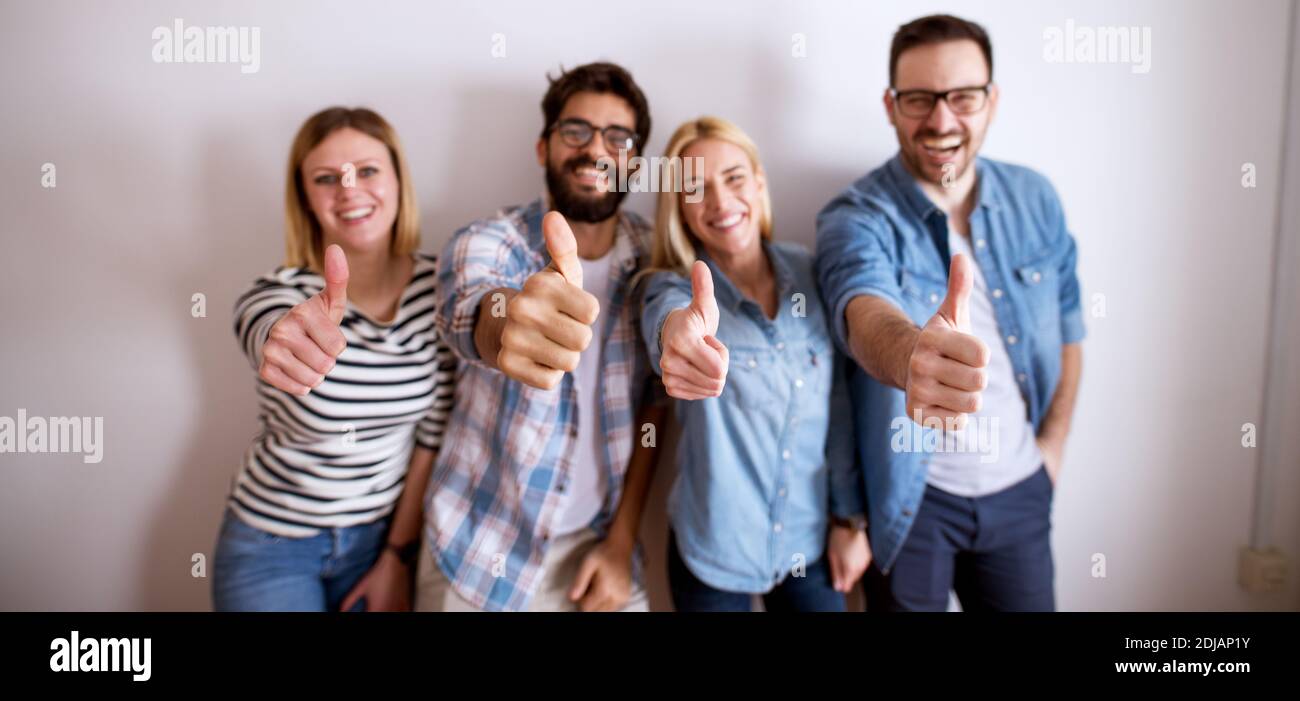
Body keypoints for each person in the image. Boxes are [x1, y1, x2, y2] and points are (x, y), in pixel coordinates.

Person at [816, 14, 1085, 611]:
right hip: (914, 504)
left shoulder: (1036, 198)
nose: (941, 120)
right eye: (919, 99)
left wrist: (1054, 449)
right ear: (890, 105)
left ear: (991, 101)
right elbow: (862, 310)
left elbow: (1070, 327)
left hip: (1022, 491)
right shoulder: (854, 217)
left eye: (962, 97)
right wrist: (912, 354)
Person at [419, 62, 667, 612]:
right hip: (477, 551)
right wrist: (507, 324)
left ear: (636, 162)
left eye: (617, 137)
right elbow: (474, 310)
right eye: (575, 130)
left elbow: (655, 403)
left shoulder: (654, 256)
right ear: (543, 147)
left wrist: (622, 542)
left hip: (598, 553)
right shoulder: (485, 241)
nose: (595, 148)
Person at [213, 107, 455, 612]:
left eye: (366, 170)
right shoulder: (277, 294)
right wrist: (279, 338)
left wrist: (396, 557)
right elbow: (264, 325)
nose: (348, 190)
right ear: (305, 197)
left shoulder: (444, 289)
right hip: (270, 547)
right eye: (326, 178)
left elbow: (431, 439)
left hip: (378, 546)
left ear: (398, 180)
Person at [639, 116, 869, 611]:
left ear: (759, 183)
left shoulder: (809, 270)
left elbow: (838, 405)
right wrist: (675, 337)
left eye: (735, 178)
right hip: (713, 552)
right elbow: (664, 324)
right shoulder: (673, 288)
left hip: (808, 544)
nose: (721, 202)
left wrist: (849, 520)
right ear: (679, 206)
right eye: (696, 188)